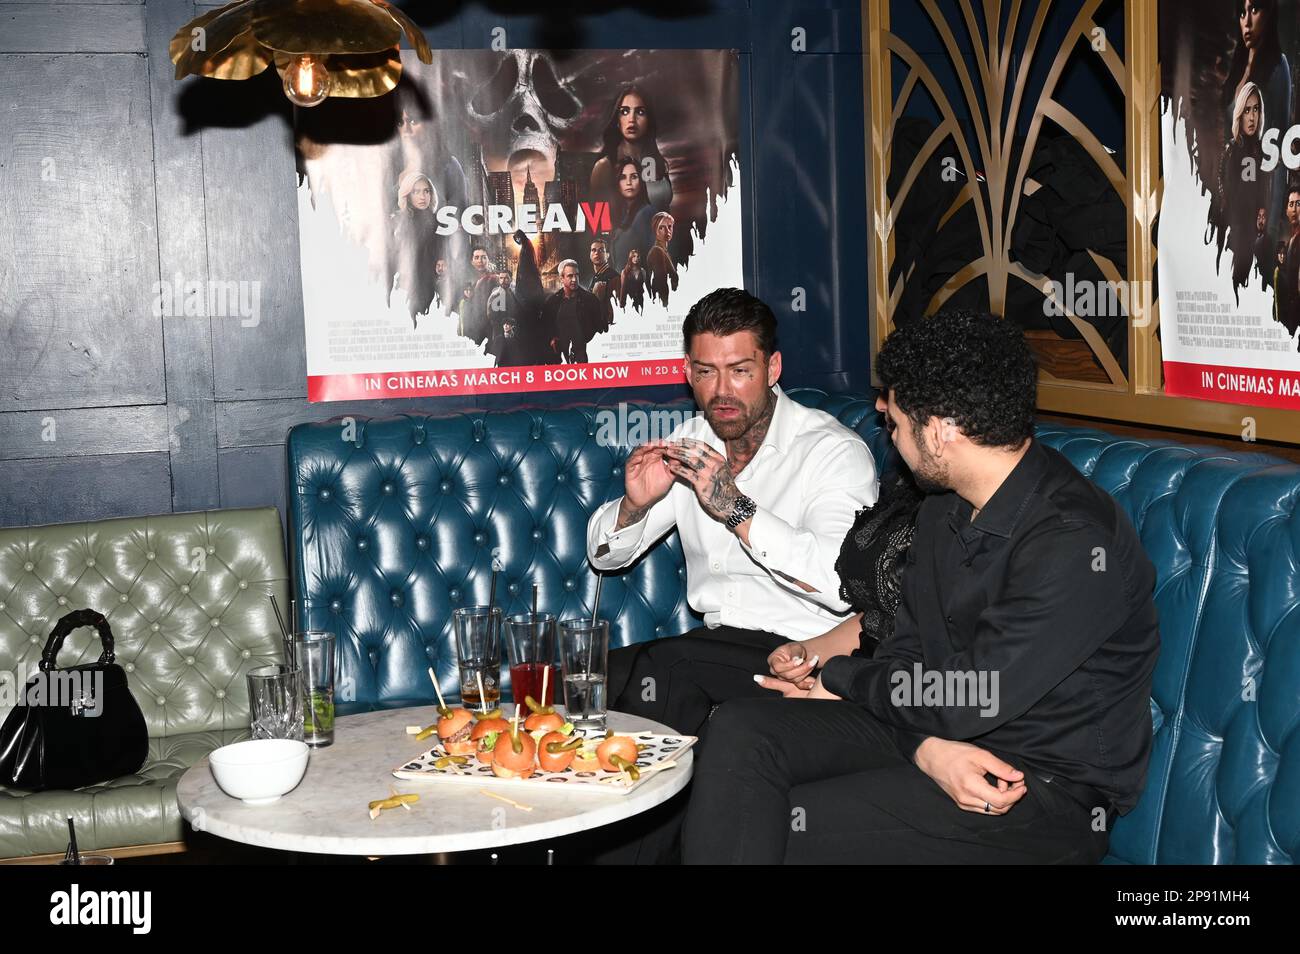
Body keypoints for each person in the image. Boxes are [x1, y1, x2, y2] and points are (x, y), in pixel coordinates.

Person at [681, 310, 1160, 864]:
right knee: (742, 729)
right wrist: (924, 747)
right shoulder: (944, 507)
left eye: (896, 422)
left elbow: (969, 694)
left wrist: (835, 675)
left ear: (941, 430)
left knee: (790, 825)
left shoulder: (1073, 542)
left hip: (1036, 791)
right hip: (943, 731)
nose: (886, 421)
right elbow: (908, 649)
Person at [578, 289, 877, 862]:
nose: (722, 391)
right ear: (688, 371)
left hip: (804, 652)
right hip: (716, 650)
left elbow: (841, 584)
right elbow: (604, 556)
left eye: (740, 371)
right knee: (583, 676)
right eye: (706, 372)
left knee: (669, 666)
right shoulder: (692, 443)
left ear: (772, 367)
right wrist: (634, 508)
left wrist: (736, 510)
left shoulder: (832, 453)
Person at [1222, 0, 1291, 242]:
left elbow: (1280, 155)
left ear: (1268, 12)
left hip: (1258, 202)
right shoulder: (1236, 67)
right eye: (1242, 13)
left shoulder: (1277, 67)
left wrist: (1270, 229)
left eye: (1254, 10)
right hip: (1229, 201)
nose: (1247, 22)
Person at [590, 84, 673, 213]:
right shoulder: (604, 166)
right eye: (624, 111)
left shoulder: (656, 161)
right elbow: (599, 221)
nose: (632, 119)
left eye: (640, 112)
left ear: (648, 119)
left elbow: (665, 211)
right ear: (617, 119)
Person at [1217, 82, 1267, 288]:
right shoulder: (1232, 148)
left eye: (1256, 109)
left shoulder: (1260, 149)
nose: (1252, 116)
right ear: (1240, 113)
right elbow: (1221, 182)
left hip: (1252, 229)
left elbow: (1261, 187)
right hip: (1234, 228)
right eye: (1247, 110)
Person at [389, 171, 441, 327]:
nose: (422, 196)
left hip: (430, 285)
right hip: (405, 285)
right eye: (416, 192)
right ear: (407, 195)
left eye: (426, 191)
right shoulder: (397, 220)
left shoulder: (438, 221)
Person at [540, 260, 603, 363]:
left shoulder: (590, 300)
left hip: (583, 353)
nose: (574, 279)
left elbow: (599, 326)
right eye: (570, 276)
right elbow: (545, 326)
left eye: (576, 275)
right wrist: (552, 338)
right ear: (561, 278)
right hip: (559, 356)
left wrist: (584, 340)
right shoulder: (552, 302)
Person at [646, 212, 678, 304]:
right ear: (655, 230)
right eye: (661, 227)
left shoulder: (664, 251)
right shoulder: (657, 252)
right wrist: (665, 305)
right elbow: (661, 282)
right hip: (661, 303)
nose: (668, 231)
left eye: (669, 226)